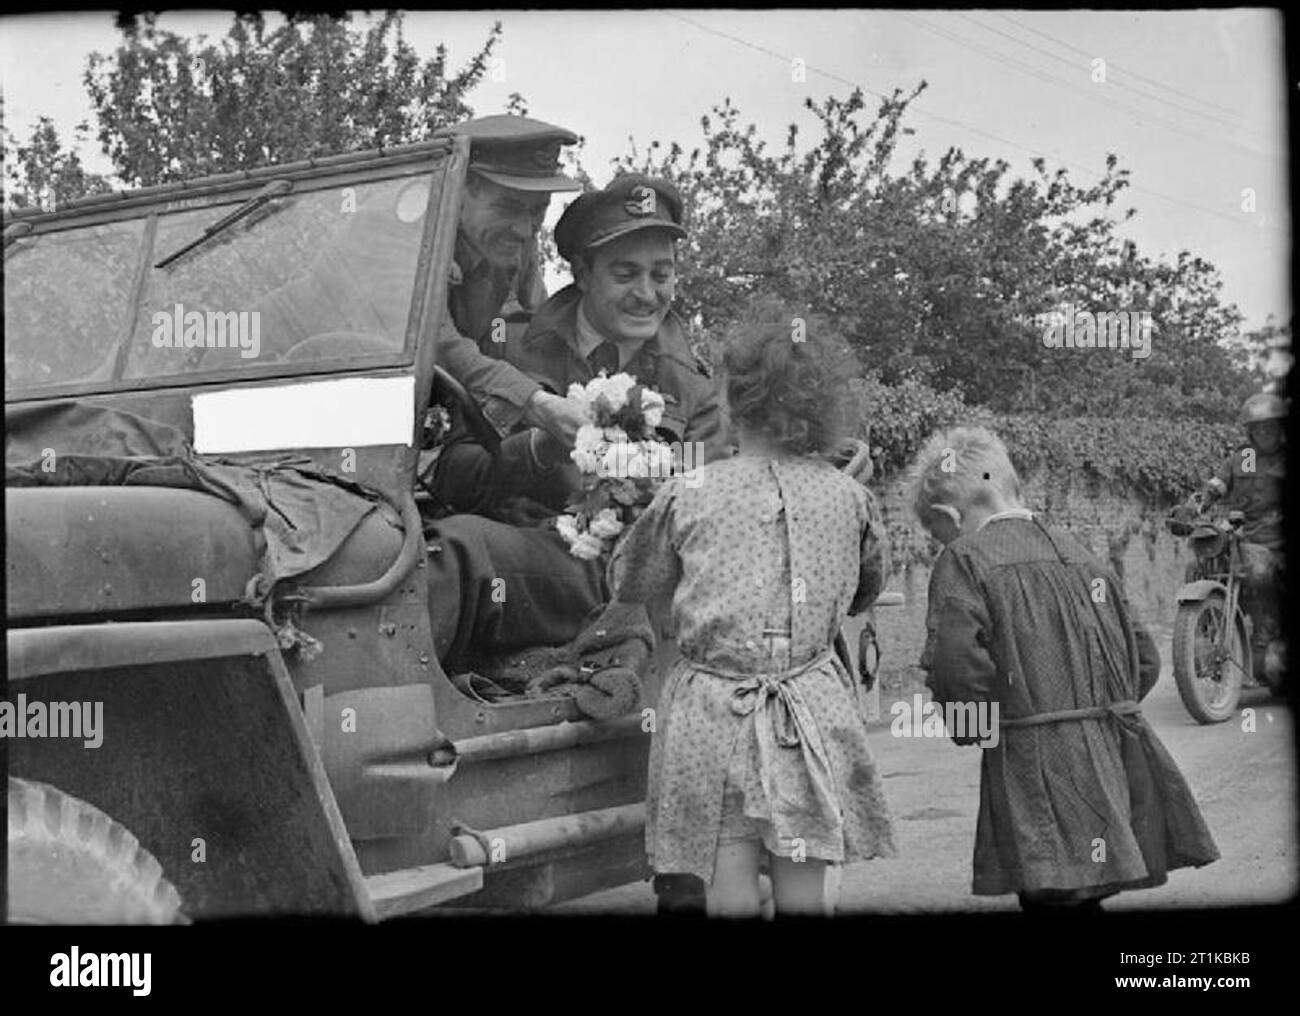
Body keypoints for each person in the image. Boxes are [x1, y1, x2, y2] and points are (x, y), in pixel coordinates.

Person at [607, 303, 897, 917]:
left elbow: (629, 581)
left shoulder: (689, 492)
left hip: (712, 712)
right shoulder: (851, 498)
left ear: (733, 403)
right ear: (823, 413)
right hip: (809, 710)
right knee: (804, 880)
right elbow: (865, 591)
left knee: (727, 876)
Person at [909, 426, 1219, 912]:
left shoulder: (964, 560)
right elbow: (1144, 659)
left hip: (1030, 762)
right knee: (1085, 891)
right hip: (1108, 756)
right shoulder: (1083, 554)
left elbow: (956, 671)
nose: (942, 545)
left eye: (941, 534)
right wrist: (1093, 715)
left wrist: (977, 729)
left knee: (1049, 889)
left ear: (950, 515)